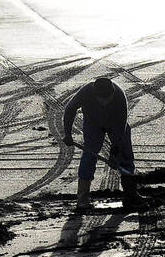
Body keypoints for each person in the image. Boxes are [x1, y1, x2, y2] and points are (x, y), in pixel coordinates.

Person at [62, 76, 150, 212]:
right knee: (89, 155)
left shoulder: (120, 97)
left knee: (125, 155)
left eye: (106, 99)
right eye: (100, 98)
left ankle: (130, 194)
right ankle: (82, 199)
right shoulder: (86, 92)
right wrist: (67, 133)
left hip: (116, 124)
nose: (103, 102)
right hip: (93, 124)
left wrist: (114, 153)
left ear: (112, 92)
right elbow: (70, 110)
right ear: (95, 93)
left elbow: (120, 128)